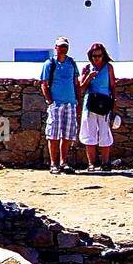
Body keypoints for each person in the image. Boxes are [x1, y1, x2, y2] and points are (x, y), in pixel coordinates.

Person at [40, 38, 80, 175]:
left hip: (70, 102)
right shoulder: (49, 63)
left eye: (65, 46)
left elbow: (76, 83)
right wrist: (50, 101)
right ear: (56, 47)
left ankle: (63, 162)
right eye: (61, 46)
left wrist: (77, 99)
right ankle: (53, 163)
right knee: (53, 134)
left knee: (68, 134)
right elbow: (44, 83)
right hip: (56, 103)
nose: (63, 49)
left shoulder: (72, 63)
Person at [78, 43, 117, 172]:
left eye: (99, 55)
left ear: (103, 55)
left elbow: (112, 87)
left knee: (104, 132)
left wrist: (113, 106)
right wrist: (88, 77)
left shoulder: (108, 68)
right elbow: (81, 88)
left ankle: (105, 162)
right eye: (94, 56)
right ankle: (91, 163)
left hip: (104, 103)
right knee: (90, 133)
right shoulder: (87, 68)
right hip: (90, 104)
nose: (97, 58)